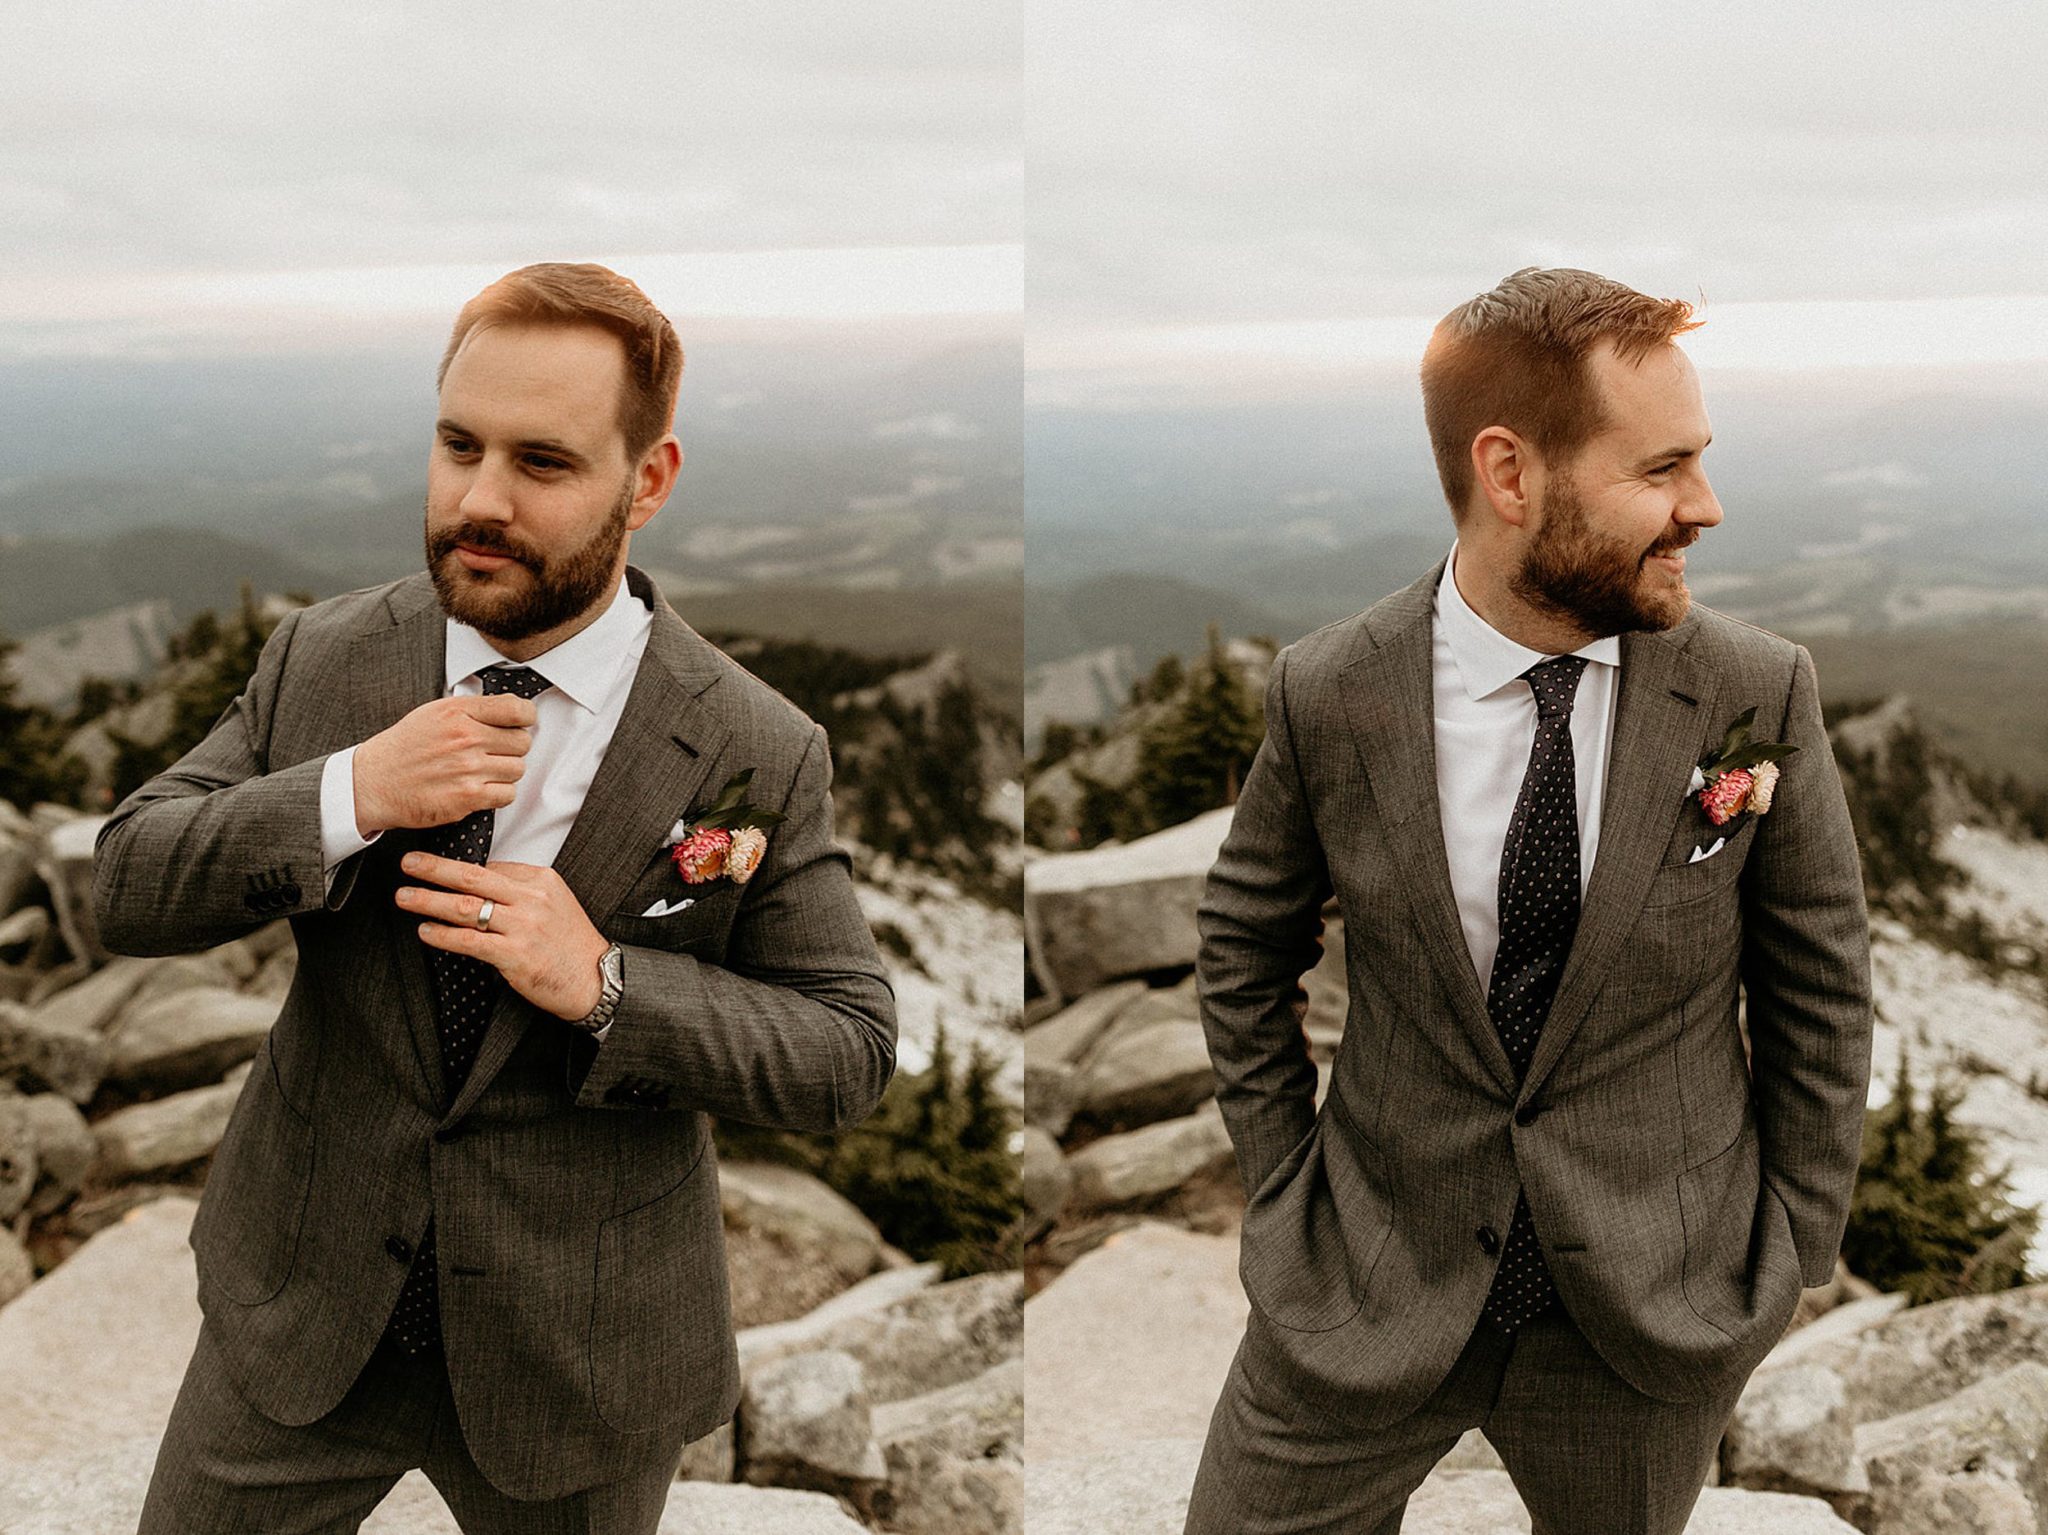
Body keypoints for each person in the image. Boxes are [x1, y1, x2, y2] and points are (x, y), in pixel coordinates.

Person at [93, 261, 898, 1533]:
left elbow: (847, 1050)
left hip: (578, 1357)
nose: (478, 498)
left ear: (648, 481)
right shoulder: (325, 657)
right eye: (457, 443)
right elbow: (127, 883)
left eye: (542, 461)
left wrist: (607, 984)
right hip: (300, 1310)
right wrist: (348, 789)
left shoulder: (758, 745)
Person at [1182, 267, 1872, 1535]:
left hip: (1650, 1305)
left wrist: (1782, 1255)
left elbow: (1820, 987)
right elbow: (1240, 950)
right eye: (1660, 469)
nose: (1703, 507)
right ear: (1509, 474)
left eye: (1699, 460)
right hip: (1367, 1275)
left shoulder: (1753, 691)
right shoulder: (1329, 689)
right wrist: (1288, 1201)